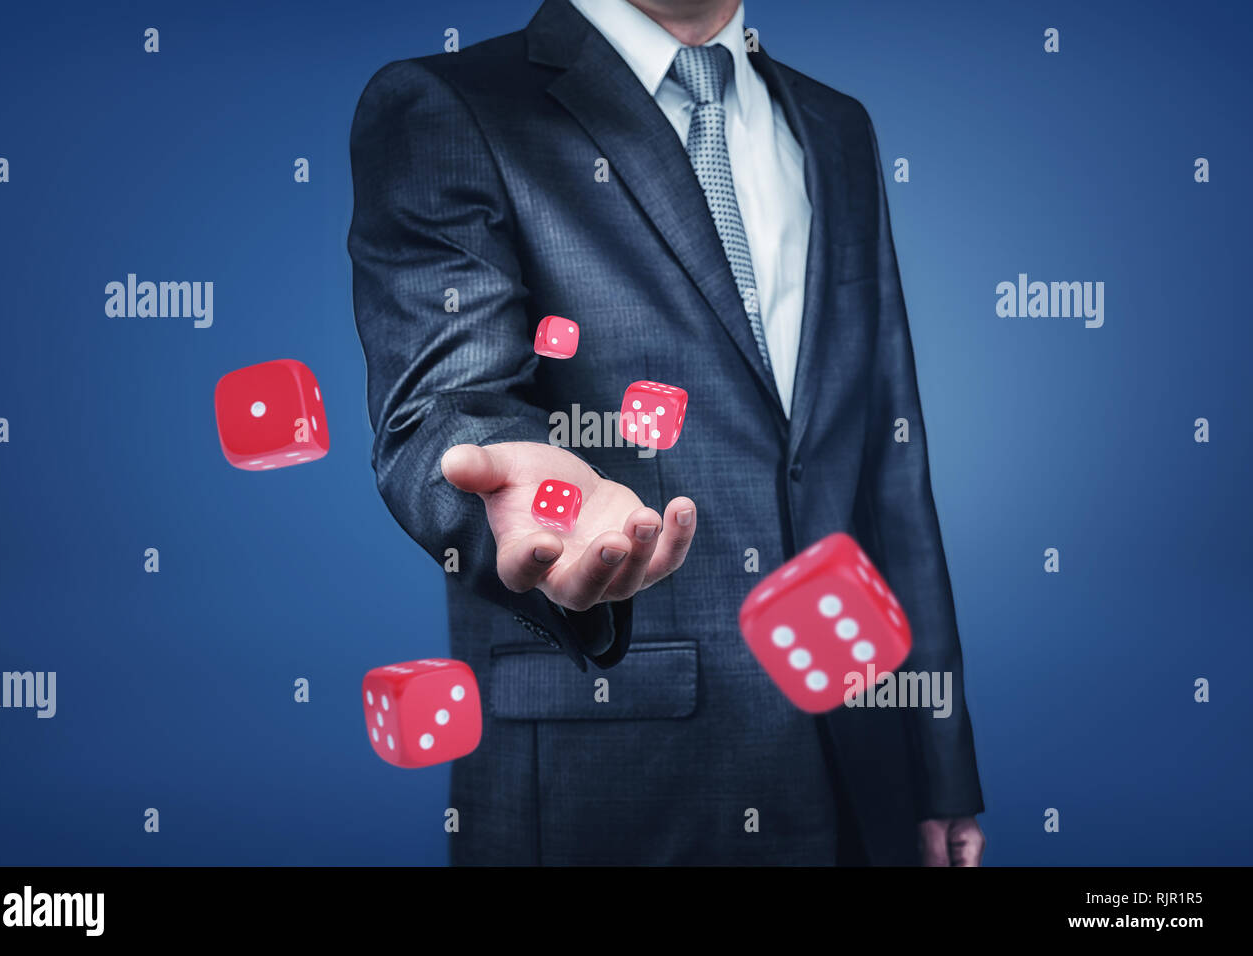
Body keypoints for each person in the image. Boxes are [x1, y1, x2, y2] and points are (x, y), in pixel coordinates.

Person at [349, 0, 985, 865]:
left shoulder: (839, 127)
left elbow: (887, 468)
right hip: (621, 769)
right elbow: (446, 409)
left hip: (856, 766)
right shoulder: (450, 105)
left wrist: (934, 765)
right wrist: (531, 500)